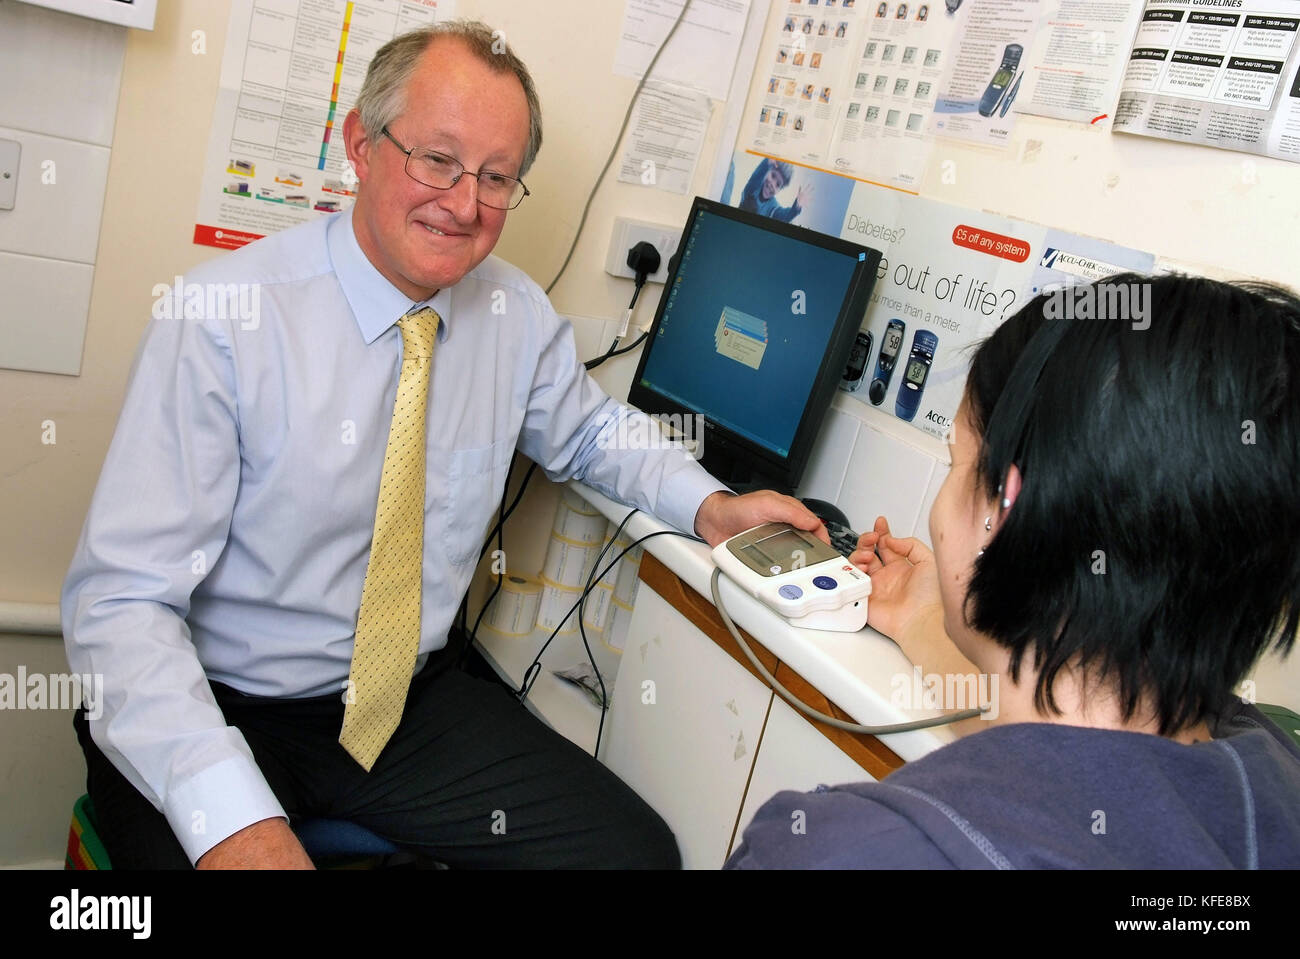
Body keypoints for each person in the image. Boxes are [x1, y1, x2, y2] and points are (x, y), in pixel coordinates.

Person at [63, 20, 823, 870]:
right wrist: (237, 822)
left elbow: (589, 432)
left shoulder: (515, 315)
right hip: (215, 702)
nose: (464, 204)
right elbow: (122, 605)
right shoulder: (222, 322)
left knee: (635, 856)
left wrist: (712, 506)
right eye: (438, 160)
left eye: (497, 178)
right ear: (361, 143)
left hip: (399, 710)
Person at [727, 274, 1300, 868]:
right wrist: (924, 616)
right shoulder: (1268, 773)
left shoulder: (835, 852)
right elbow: (1070, 755)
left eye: (958, 460)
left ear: (1007, 506)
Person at [738, 157, 812, 224]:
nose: (772, 184)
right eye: (773, 176)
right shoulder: (754, 187)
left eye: (778, 184)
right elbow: (757, 175)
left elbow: (784, 216)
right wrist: (767, 162)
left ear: (780, 190)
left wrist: (796, 208)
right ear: (768, 171)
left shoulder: (773, 207)